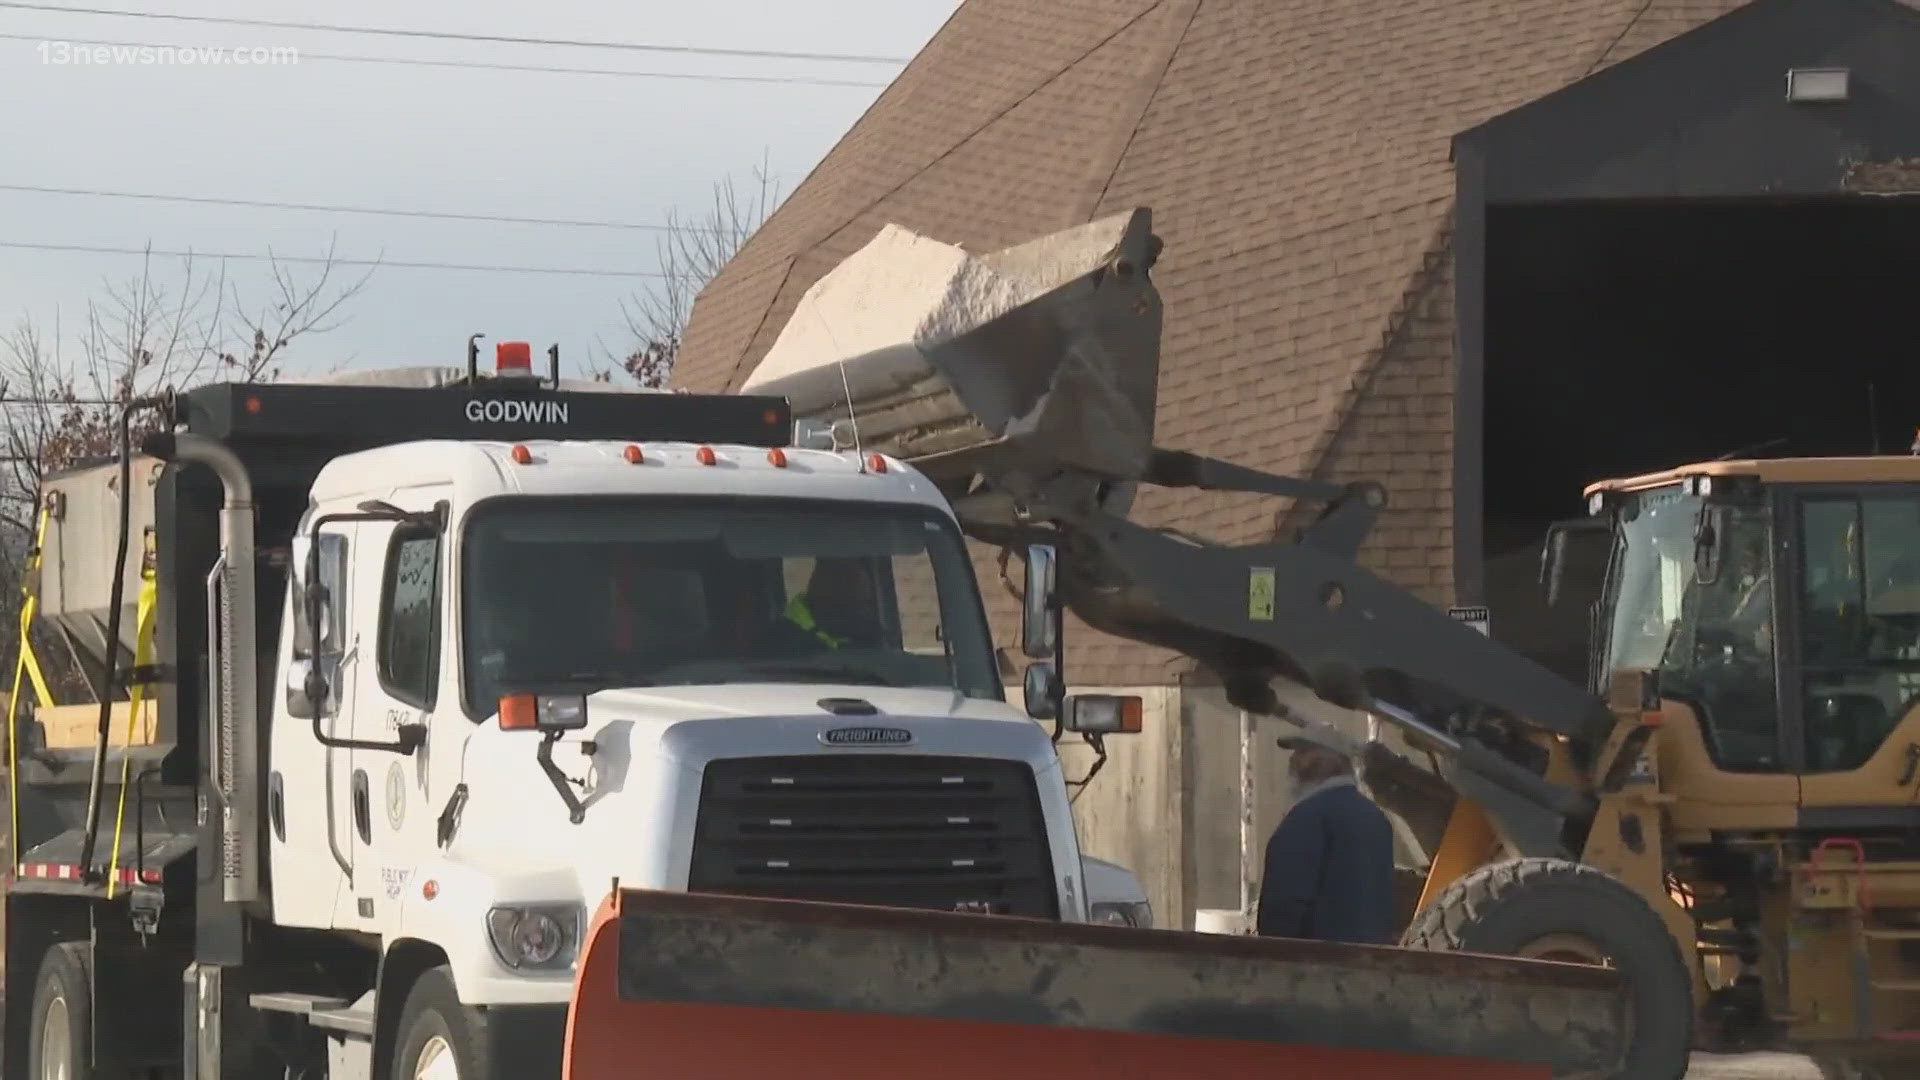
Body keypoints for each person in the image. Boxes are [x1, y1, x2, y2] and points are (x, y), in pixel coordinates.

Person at [1255, 720, 1397, 945]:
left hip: (1314, 963)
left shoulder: (1308, 817)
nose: (1294, 760)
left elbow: (1286, 902)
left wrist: (1273, 952)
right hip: (1369, 961)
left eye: (1305, 751)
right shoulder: (1376, 818)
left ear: (1333, 761)